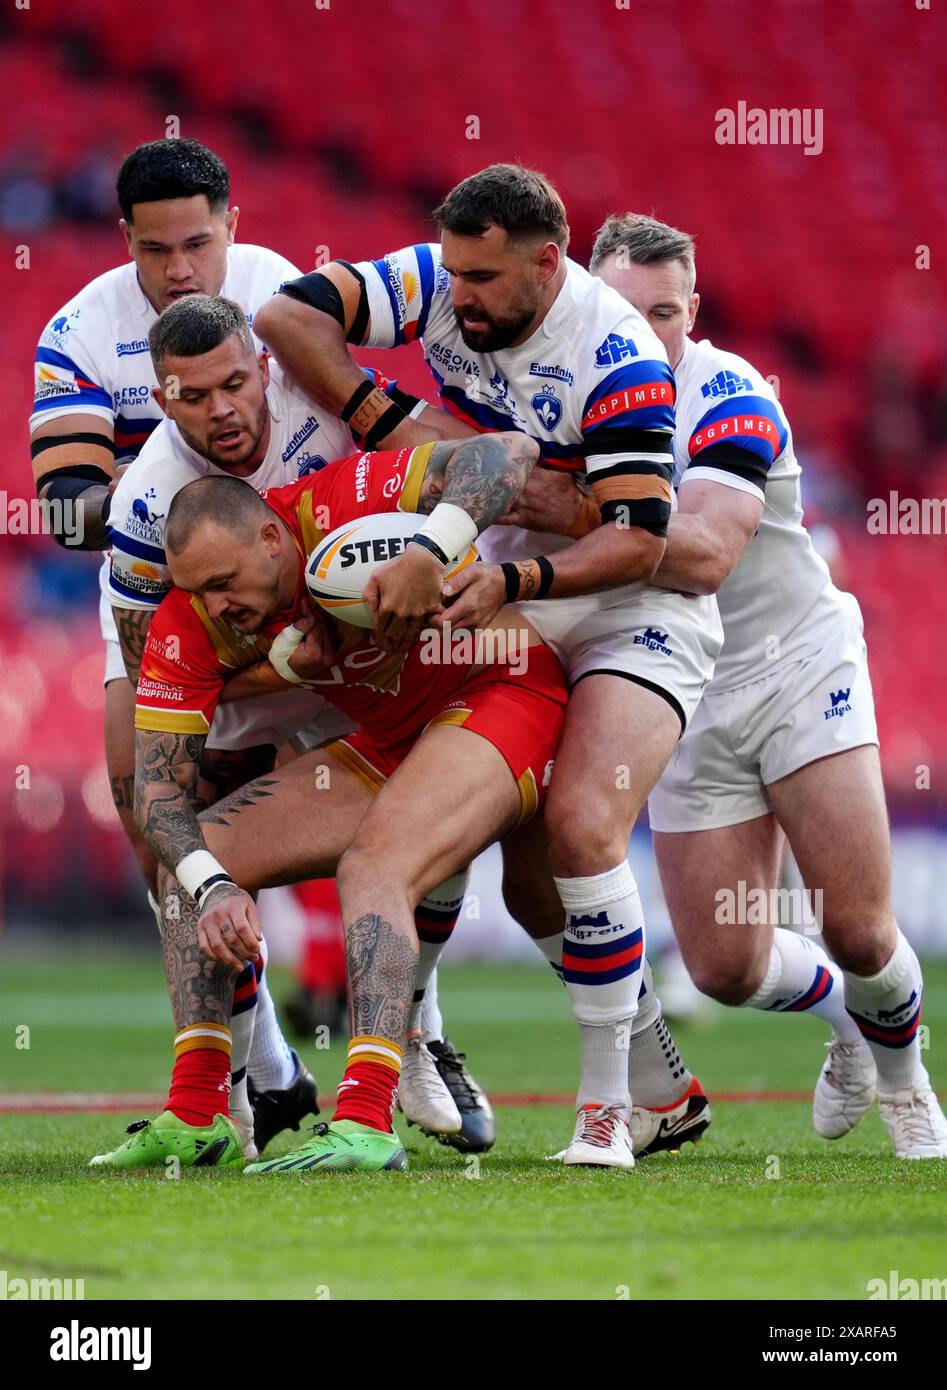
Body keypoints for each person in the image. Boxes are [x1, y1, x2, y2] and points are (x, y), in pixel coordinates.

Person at [252, 163, 723, 1168]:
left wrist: (516, 575)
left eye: (479, 278)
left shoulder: (617, 355)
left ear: (545, 264)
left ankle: (607, 1109)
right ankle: (601, 1074)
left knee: (577, 825)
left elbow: (637, 539)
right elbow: (284, 317)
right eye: (451, 272)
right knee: (509, 867)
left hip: (625, 610)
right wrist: (397, 424)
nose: (454, 298)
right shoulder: (435, 280)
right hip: (497, 586)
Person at [504, 212, 947, 1160]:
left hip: (794, 665)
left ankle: (908, 1081)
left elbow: (702, 554)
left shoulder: (730, 391)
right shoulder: (559, 400)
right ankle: (845, 1028)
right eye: (627, 310)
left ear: (692, 310)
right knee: (722, 968)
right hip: (680, 686)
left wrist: (574, 508)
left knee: (859, 928)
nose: (648, 331)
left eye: (666, 311)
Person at [91, 430, 565, 1174]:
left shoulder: (334, 503)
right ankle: (196, 1114)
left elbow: (505, 453)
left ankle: (366, 1120)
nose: (215, 604)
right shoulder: (195, 619)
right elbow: (157, 789)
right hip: (390, 743)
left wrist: (426, 553)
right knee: (184, 868)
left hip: (501, 693)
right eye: (197, 589)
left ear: (273, 537)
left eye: (225, 579)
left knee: (374, 868)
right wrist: (212, 886)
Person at [106, 292, 493, 1148]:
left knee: (425, 841)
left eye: (235, 384)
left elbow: (482, 460)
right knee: (178, 848)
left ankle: (419, 1030)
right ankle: (224, 1099)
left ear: (264, 369)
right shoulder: (145, 509)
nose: (223, 410)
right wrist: (284, 657)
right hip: (253, 671)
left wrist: (427, 557)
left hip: (377, 645)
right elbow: (153, 675)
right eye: (195, 397)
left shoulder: (321, 405)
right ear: (162, 400)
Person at [29, 137, 318, 1149]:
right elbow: (65, 512)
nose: (180, 268)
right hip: (159, 581)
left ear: (232, 225)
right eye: (157, 251)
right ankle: (265, 1070)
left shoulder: (283, 295)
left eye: (197, 242)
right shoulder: (79, 330)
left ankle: (418, 1046)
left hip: (302, 581)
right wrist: (172, 499)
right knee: (155, 813)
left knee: (384, 804)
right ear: (128, 243)